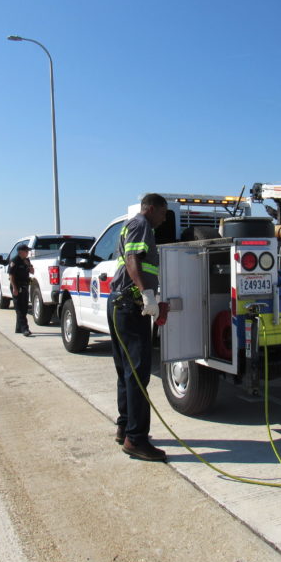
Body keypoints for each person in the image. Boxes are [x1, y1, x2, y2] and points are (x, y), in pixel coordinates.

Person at [107, 193, 169, 461]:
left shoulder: (129, 225)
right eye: (163, 214)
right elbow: (133, 262)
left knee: (126, 372)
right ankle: (137, 440)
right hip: (130, 306)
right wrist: (147, 295)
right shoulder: (142, 224)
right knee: (138, 374)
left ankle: (125, 428)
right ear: (152, 209)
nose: (164, 220)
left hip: (120, 305)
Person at [9, 244, 34, 337]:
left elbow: (32, 272)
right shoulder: (14, 261)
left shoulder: (27, 260)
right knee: (19, 309)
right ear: (20, 252)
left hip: (25, 286)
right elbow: (11, 276)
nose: (28, 253)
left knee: (24, 308)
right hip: (17, 286)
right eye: (26, 251)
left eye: (28, 251)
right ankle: (25, 329)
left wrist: (29, 265)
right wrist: (14, 288)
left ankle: (19, 328)